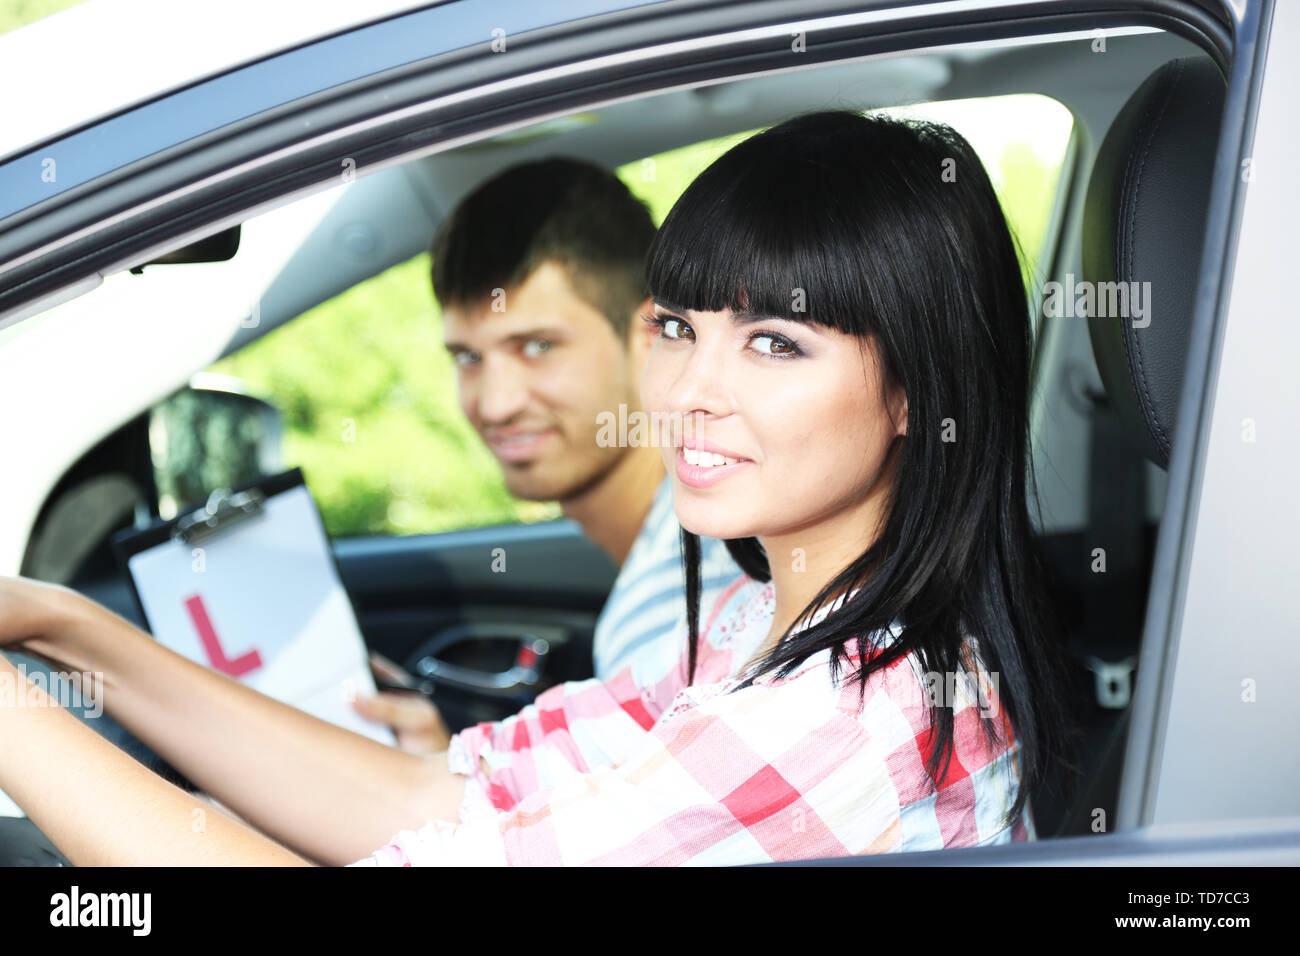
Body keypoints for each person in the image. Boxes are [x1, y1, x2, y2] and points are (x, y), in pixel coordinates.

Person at [0, 109, 1080, 865]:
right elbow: (440, 799)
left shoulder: (841, 719)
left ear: (913, 391)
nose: (689, 391)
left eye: (774, 344)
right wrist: (64, 626)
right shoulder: (771, 626)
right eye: (675, 328)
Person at [351, 158, 743, 751]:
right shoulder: (682, 551)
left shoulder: (677, 605)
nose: (496, 403)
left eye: (537, 346)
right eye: (467, 358)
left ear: (652, 335)